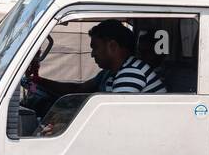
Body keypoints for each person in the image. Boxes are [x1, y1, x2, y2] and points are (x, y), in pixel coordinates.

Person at [34, 19, 166, 99]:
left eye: (95, 47)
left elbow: (113, 116)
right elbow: (78, 89)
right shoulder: (110, 73)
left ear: (112, 46)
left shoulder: (131, 73)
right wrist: (39, 81)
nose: (92, 54)